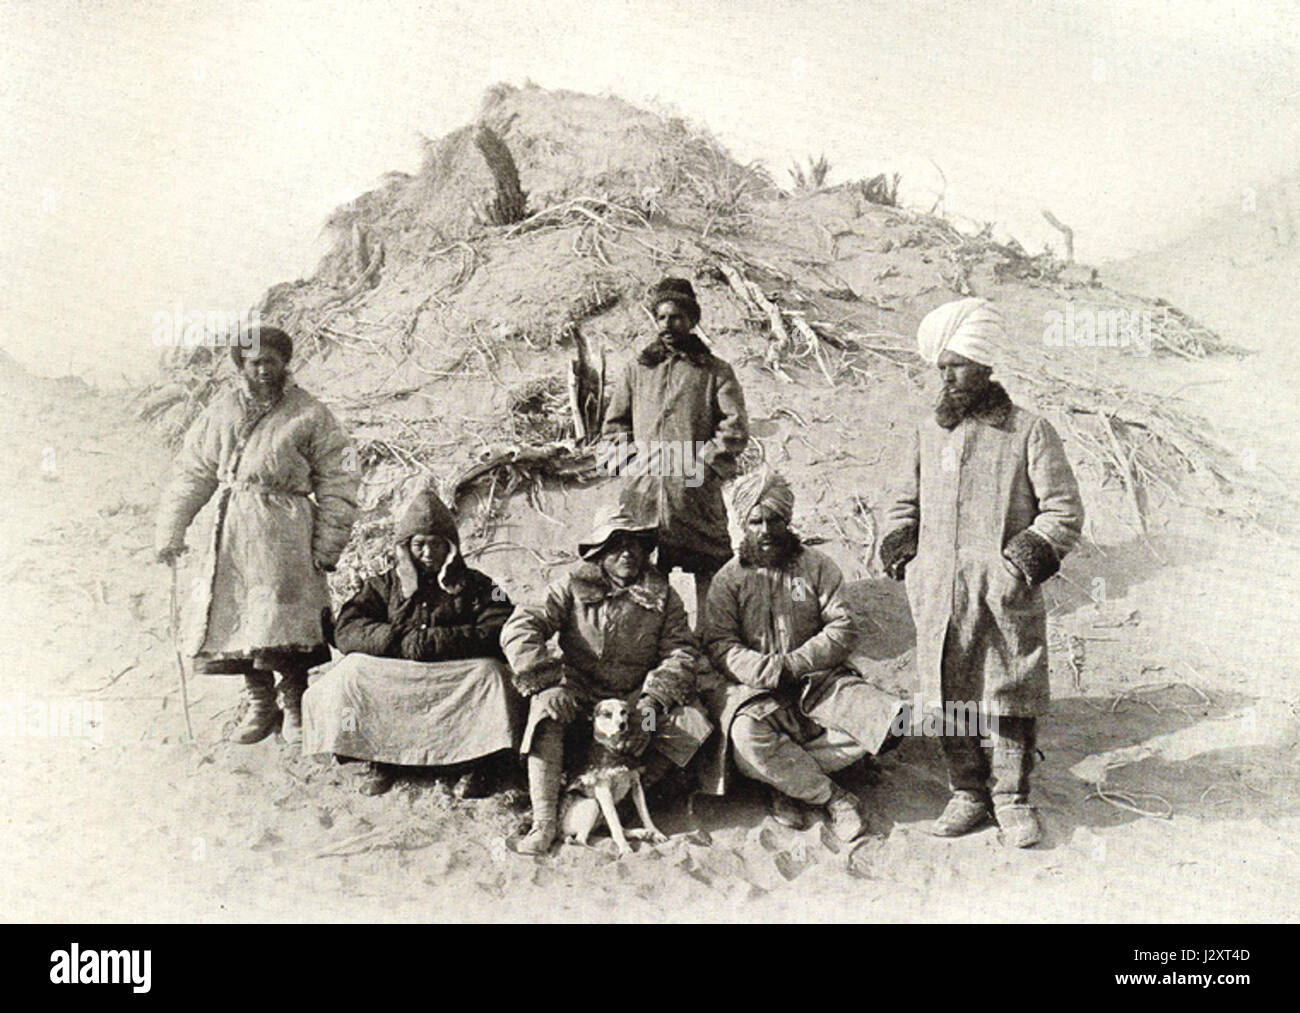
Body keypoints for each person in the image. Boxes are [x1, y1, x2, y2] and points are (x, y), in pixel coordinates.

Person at [881, 297, 1084, 848]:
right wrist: (907, 553)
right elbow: (902, 503)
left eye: (959, 365)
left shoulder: (1028, 430)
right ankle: (967, 792)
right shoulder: (928, 431)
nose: (947, 376)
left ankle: (1013, 799)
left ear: (985, 366)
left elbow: (1063, 509)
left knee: (1010, 690)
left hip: (1001, 590)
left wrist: (1020, 562)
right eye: (942, 366)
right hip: (938, 591)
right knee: (950, 691)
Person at [155, 326, 358, 744]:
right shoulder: (222, 411)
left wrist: (328, 543)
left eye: (272, 361)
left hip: (285, 531)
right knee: (239, 618)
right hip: (231, 530)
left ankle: (295, 703)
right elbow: (193, 472)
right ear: (241, 367)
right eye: (255, 362)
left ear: (285, 363)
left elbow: (339, 478)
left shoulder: (309, 413)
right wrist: (171, 529)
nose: (264, 370)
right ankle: (260, 703)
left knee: (285, 618)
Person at [699, 469, 904, 842]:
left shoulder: (818, 567)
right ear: (743, 524)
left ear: (787, 520)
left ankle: (784, 781)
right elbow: (719, 643)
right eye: (756, 522)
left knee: (887, 719)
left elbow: (842, 628)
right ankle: (833, 797)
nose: (765, 530)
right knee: (745, 736)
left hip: (819, 682)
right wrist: (765, 670)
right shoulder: (728, 580)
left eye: (774, 520)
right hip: (757, 692)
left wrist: (797, 662)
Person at [500, 502, 713, 855]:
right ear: (599, 551)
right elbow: (522, 625)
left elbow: (680, 652)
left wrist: (649, 706)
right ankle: (545, 822)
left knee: (689, 721)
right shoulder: (572, 586)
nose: (628, 553)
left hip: (636, 698)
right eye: (616, 545)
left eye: (635, 544)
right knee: (545, 711)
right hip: (579, 693)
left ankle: (623, 803)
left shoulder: (663, 595)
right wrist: (547, 682)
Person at [301, 486, 522, 797]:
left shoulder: (481, 584)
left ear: (451, 547)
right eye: (419, 545)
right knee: (351, 673)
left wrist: (437, 641)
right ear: (405, 547)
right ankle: (378, 758)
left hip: (454, 675)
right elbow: (348, 628)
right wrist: (397, 640)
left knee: (492, 675)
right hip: (397, 673)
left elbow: (502, 623)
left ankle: (477, 763)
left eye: (436, 544)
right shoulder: (382, 584)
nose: (428, 553)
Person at [599, 277, 749, 608]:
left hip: (694, 492)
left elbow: (735, 427)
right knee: (646, 571)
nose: (668, 324)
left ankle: (711, 633)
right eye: (662, 317)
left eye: (677, 317)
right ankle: (656, 635)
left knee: (710, 569)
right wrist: (634, 466)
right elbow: (615, 425)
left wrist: (705, 466)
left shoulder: (715, 371)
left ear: (692, 320)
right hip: (644, 493)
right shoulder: (637, 370)